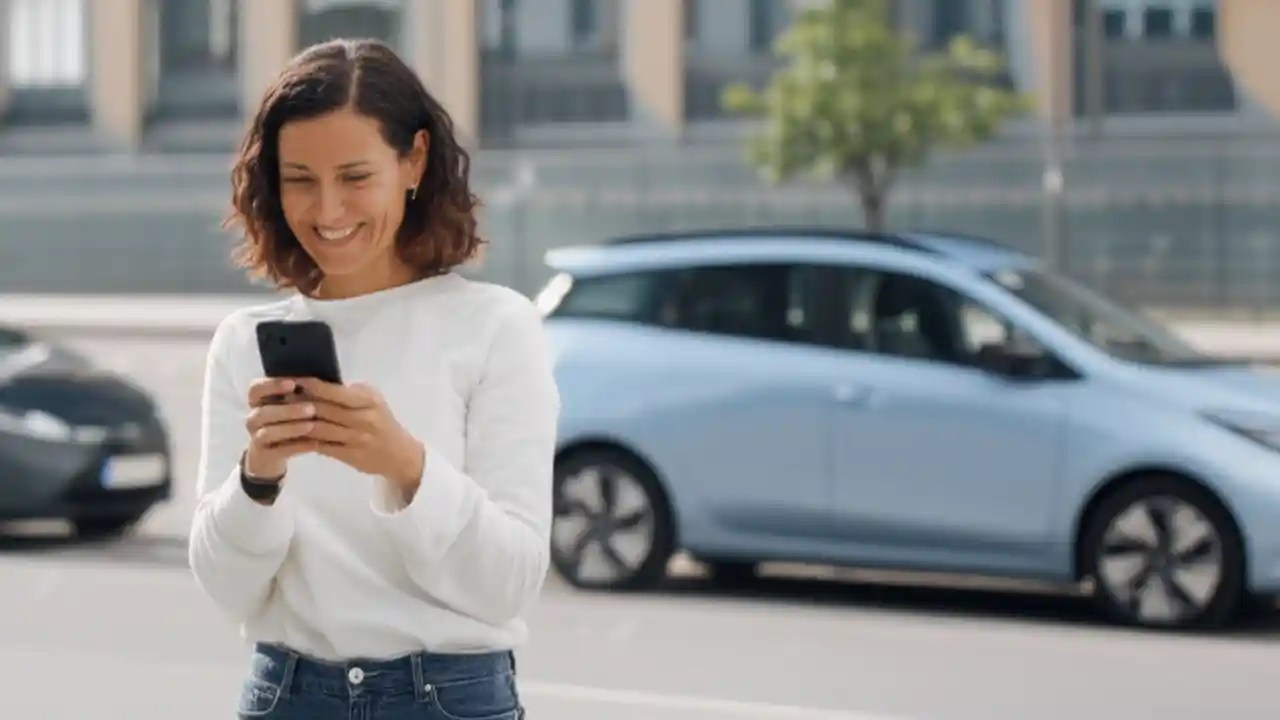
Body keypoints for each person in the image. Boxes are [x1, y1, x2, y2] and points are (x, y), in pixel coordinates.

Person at [188, 37, 558, 719]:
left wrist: (407, 467)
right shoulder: (244, 345)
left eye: (355, 177)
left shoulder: (496, 327)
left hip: (449, 698)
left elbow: (511, 584)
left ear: (413, 160)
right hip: (285, 696)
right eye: (300, 179)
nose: (328, 211)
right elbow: (225, 590)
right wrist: (258, 478)